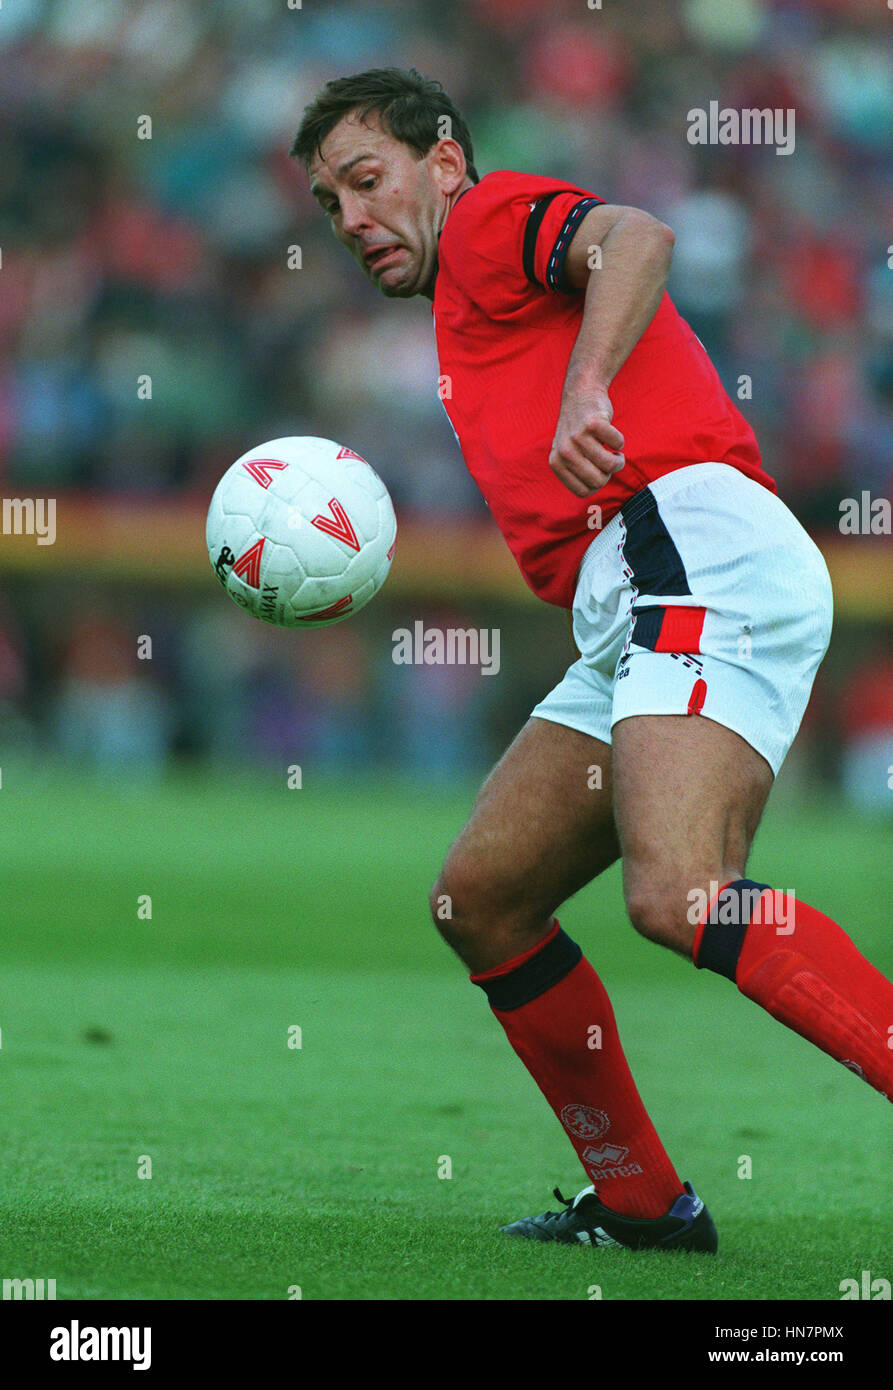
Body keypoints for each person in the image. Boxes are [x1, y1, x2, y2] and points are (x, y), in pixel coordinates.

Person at [291, 68, 892, 1253]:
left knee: (678, 894)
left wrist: (585, 385)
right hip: (645, 590)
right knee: (485, 899)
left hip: (687, 551)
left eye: (367, 181)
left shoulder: (485, 223)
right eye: (328, 205)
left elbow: (633, 233)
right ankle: (640, 1200)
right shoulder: (462, 312)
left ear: (445, 162)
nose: (352, 219)